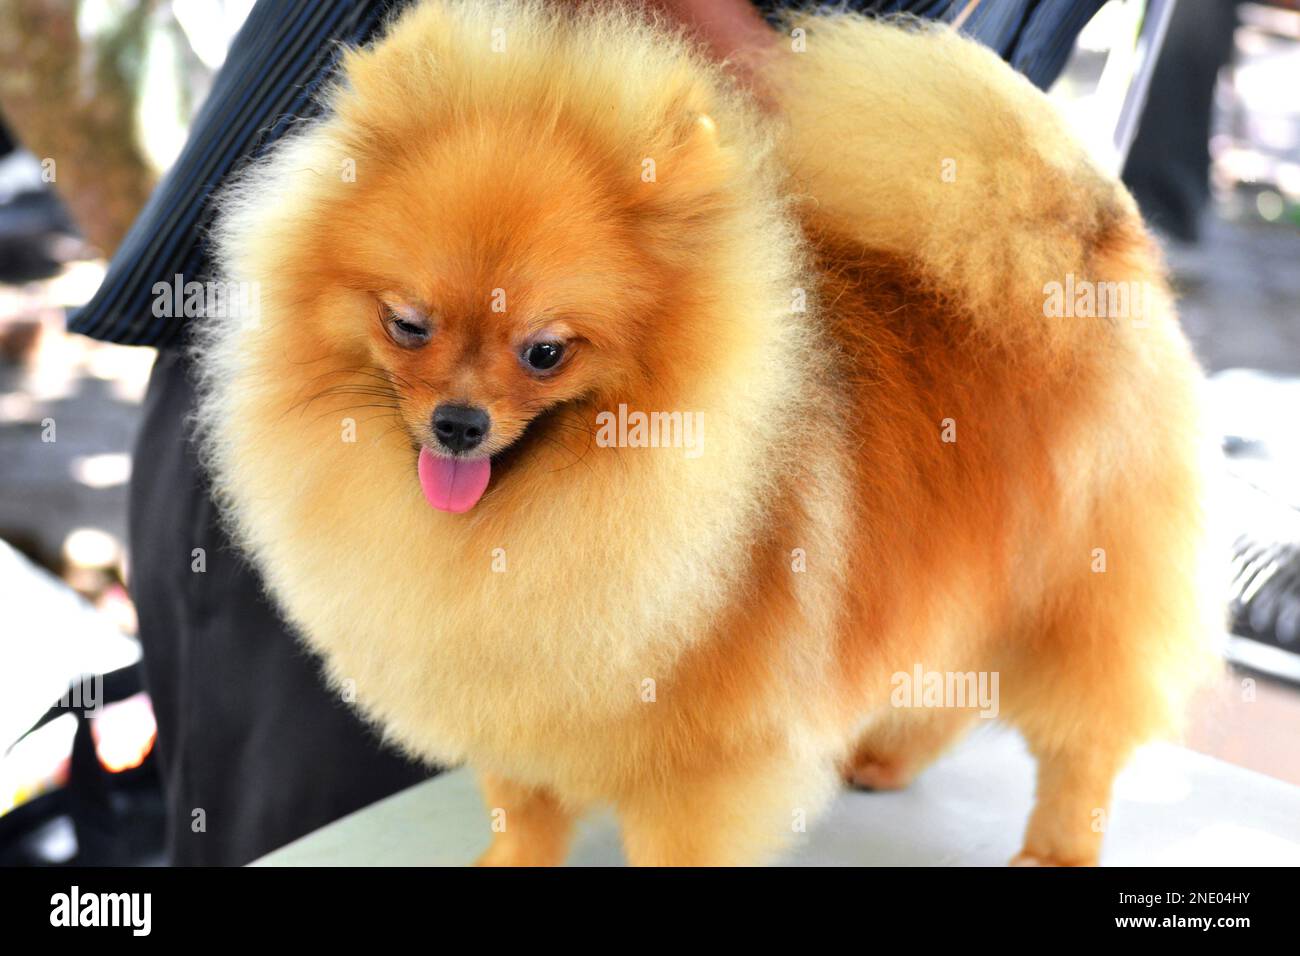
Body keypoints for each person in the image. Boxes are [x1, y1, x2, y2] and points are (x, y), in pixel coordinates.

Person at [68, 0, 1104, 865]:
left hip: (910, 290)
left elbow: (714, 746)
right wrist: (773, 101)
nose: (460, 403)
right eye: (411, 328)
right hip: (713, 157)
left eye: (545, 354)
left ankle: (1057, 790)